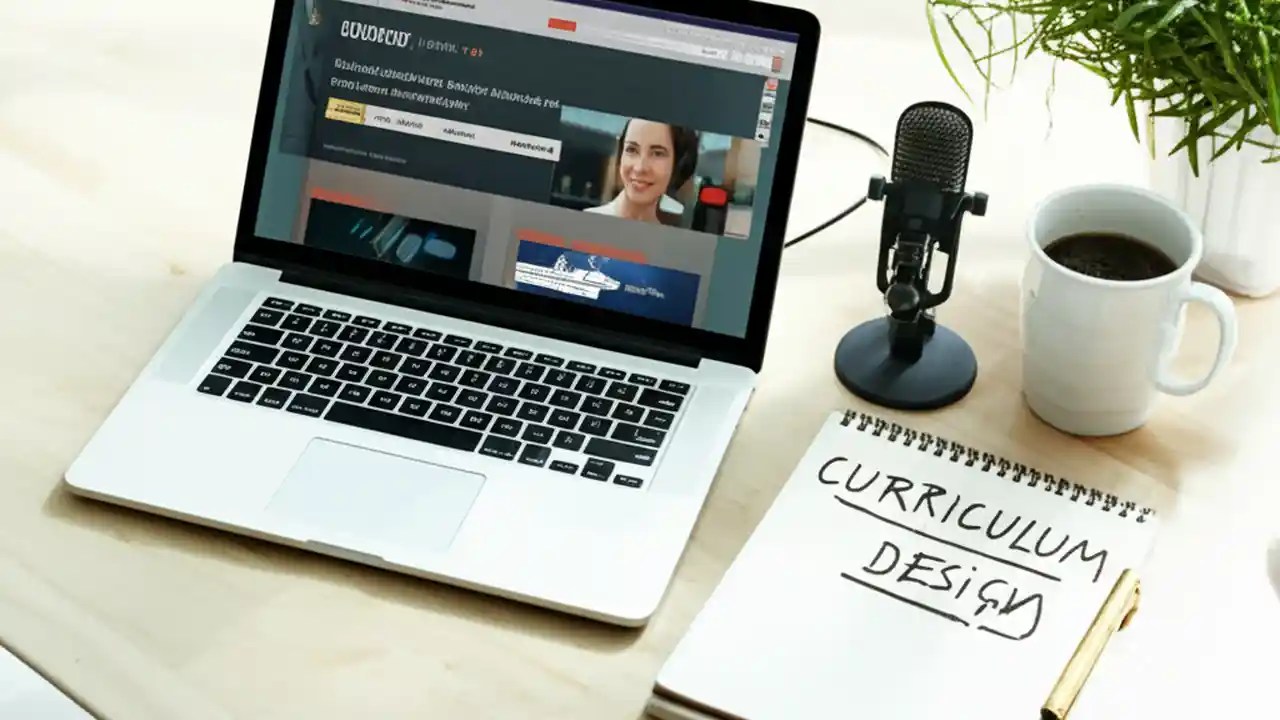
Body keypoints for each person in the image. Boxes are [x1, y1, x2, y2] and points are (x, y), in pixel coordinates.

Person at [587, 119, 699, 224]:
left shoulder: (668, 242)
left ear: (678, 164)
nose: (640, 168)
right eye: (632, 149)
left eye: (657, 153)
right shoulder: (586, 223)